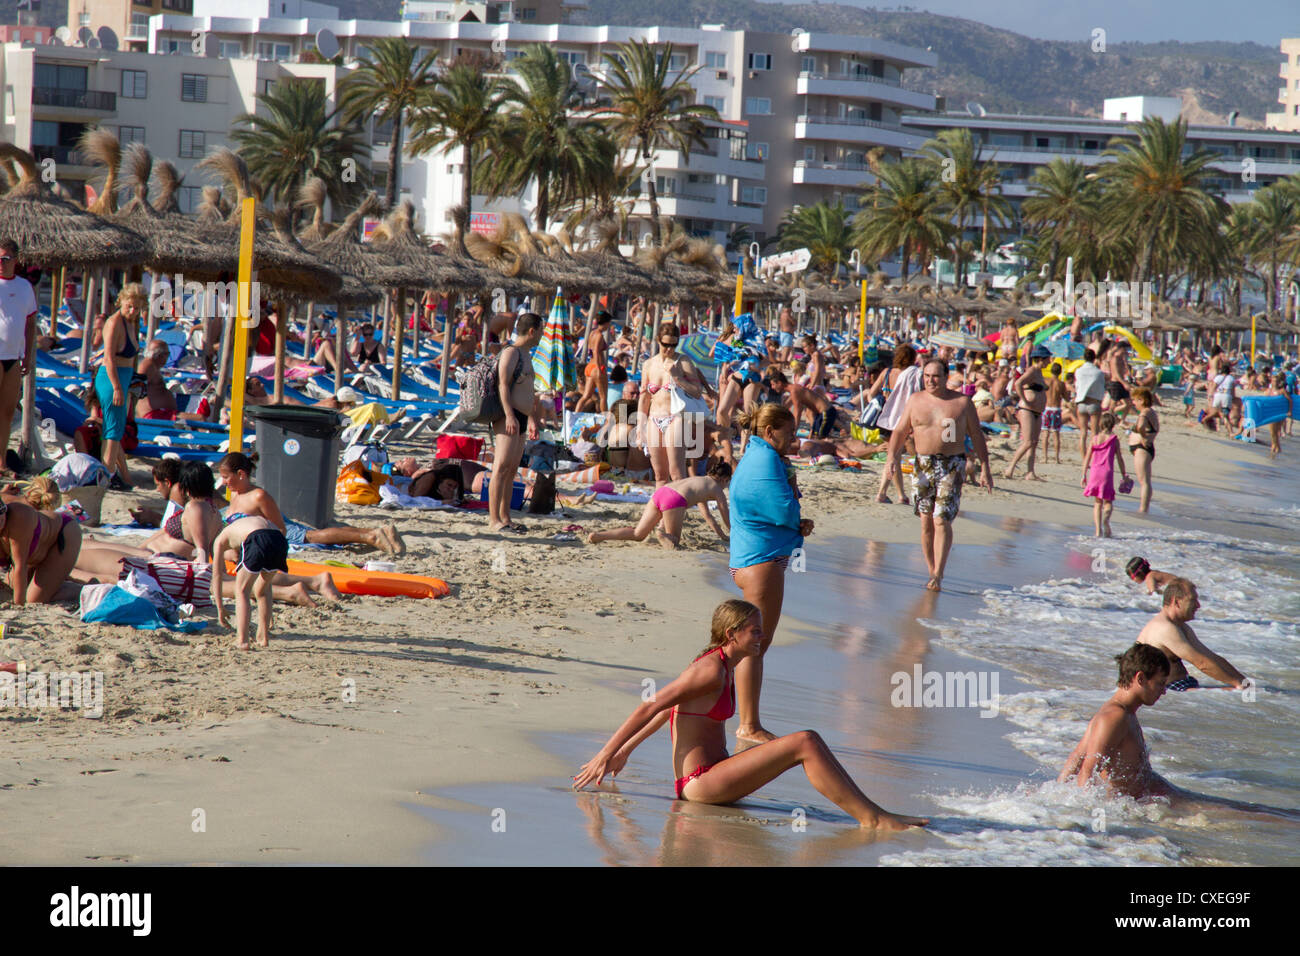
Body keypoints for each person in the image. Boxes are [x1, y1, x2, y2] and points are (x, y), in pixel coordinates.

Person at [573, 599, 926, 831]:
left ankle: (873, 814)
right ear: (732, 634)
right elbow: (652, 704)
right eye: (755, 631)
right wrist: (606, 752)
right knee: (806, 741)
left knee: (807, 743)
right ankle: (873, 818)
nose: (762, 636)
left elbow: (670, 710)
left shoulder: (724, 667)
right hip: (701, 782)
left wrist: (626, 752)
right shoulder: (709, 671)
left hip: (712, 776)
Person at [727, 403, 813, 745]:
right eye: (789, 433)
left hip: (752, 558)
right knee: (754, 646)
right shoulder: (765, 461)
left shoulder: (756, 456)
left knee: (751, 644)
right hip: (759, 562)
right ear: (769, 432)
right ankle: (748, 725)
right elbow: (783, 508)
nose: (794, 439)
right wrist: (799, 521)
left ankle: (741, 717)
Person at [887, 358, 994, 592]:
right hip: (922, 464)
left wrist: (985, 467)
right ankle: (931, 569)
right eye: (926, 376)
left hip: (952, 465)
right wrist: (889, 460)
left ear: (946, 377)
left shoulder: (962, 403)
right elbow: (900, 431)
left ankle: (939, 573)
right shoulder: (915, 400)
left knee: (941, 519)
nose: (930, 380)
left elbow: (976, 436)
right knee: (926, 521)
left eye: (935, 376)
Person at [219, 452, 402, 555]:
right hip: (263, 530)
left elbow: (281, 527)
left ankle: (370, 537)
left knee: (313, 536)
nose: (223, 482)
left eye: (226, 477)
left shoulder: (257, 495)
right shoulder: (237, 494)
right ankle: (376, 533)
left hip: (272, 531)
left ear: (241, 474)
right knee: (315, 534)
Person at [1058, 643, 1173, 799]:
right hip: (1134, 809)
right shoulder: (1115, 717)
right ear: (1140, 678)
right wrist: (1089, 817)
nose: (1164, 691)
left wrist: (1056, 795)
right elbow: (1087, 771)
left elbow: (1076, 758)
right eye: (1160, 683)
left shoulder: (1124, 714)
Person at [588, 460, 731, 550]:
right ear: (725, 479)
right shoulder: (717, 489)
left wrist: (723, 536)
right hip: (675, 500)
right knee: (674, 541)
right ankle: (662, 535)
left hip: (662, 492)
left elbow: (708, 516)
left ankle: (599, 536)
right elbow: (726, 516)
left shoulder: (699, 481)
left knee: (638, 534)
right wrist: (734, 533)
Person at [1136, 577, 1248, 691]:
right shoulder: (1165, 628)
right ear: (1176, 602)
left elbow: (1211, 657)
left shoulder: (1181, 626)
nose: (1198, 605)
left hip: (1181, 686)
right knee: (1235, 692)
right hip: (1163, 690)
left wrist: (1243, 681)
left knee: (1242, 692)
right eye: (1193, 600)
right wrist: (1236, 684)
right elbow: (1201, 663)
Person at [637, 321, 712, 489]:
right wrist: (639, 428)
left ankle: (678, 513)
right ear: (658, 341)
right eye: (665, 345)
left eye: (673, 345)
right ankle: (662, 513)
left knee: (677, 473)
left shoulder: (683, 361)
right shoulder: (648, 365)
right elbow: (644, 398)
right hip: (654, 418)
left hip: (675, 418)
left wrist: (677, 378)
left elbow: (697, 391)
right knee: (660, 476)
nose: (669, 349)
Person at [489, 312, 543, 535]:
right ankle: (494, 519)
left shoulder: (526, 354)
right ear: (532, 331)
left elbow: (526, 390)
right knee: (500, 467)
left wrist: (530, 419)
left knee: (511, 470)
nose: (541, 335)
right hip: (506, 416)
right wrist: (510, 415)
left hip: (521, 417)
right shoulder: (511, 352)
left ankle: (506, 517)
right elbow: (503, 385)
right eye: (541, 331)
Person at [93, 283, 147, 489]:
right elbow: (108, 358)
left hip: (122, 378)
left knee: (114, 430)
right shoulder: (115, 322)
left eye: (137, 307)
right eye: (129, 306)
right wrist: (117, 387)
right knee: (114, 431)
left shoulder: (131, 322)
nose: (132, 311)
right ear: (121, 302)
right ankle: (106, 476)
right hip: (111, 378)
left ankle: (114, 475)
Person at [210, 515, 289, 650]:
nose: (233, 559)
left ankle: (242, 640)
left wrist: (220, 608)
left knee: (241, 590)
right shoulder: (241, 525)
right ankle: (263, 637)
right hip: (279, 540)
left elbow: (217, 576)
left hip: (258, 537)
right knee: (262, 590)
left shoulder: (220, 539)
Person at [0, 480, 81, 605]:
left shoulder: (18, 518)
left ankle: (93, 589)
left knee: (34, 599)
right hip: (36, 550)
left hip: (62, 535)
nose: (1, 517)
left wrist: (18, 609)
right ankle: (57, 579)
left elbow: (20, 566)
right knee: (11, 584)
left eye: (1, 511)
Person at [0, 239, 37, 473]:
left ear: (16, 260)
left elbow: (30, 322)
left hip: (14, 355)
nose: (1, 263)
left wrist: (28, 354)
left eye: (5, 258)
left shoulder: (24, 287)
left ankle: (1, 460)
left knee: (7, 411)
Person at [867, 343, 920, 505]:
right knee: (893, 457)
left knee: (894, 457)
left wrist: (881, 405)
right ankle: (883, 493)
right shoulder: (912, 375)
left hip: (885, 420)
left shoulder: (887, 372)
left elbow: (870, 394)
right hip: (901, 420)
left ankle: (900, 495)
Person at [1003, 346, 1050, 481]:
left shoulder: (1039, 372)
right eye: (1048, 359)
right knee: (1028, 441)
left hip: (1036, 411)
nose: (1049, 361)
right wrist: (1024, 399)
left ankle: (1030, 472)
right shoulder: (1033, 371)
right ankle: (1010, 468)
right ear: (1041, 358)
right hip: (1027, 409)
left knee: (1033, 443)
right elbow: (1018, 383)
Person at [1081, 411, 1127, 537]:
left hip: (1095, 472)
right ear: (1112, 425)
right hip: (1107, 473)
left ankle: (1097, 530)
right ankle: (1106, 520)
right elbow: (1120, 459)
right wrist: (1124, 474)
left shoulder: (1094, 439)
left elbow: (1087, 458)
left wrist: (1084, 474)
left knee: (1097, 502)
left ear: (1101, 424)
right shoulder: (1114, 440)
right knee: (1108, 501)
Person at [1073, 347, 1106, 470]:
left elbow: (1077, 386)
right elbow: (1102, 388)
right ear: (1094, 358)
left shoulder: (1079, 371)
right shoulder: (1098, 372)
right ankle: (1093, 458)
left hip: (1081, 402)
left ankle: (1083, 460)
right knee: (1094, 433)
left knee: (1082, 433)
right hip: (1094, 402)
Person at [1126, 386, 1158, 513]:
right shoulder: (1151, 412)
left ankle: (1143, 509)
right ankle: (1145, 507)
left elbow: (1140, 427)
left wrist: (1143, 436)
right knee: (1146, 480)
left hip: (1142, 448)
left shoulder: (1145, 413)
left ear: (1142, 400)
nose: (1133, 403)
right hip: (1144, 449)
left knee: (1143, 481)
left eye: (1135, 400)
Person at [575, 311, 612, 413]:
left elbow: (590, 349)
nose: (609, 326)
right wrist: (599, 369)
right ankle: (606, 419)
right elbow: (595, 351)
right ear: (606, 323)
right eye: (609, 323)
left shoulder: (592, 333)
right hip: (597, 367)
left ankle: (575, 415)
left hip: (589, 367)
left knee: (586, 396)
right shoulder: (599, 335)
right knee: (603, 397)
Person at [134, 339, 179, 420]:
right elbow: (136, 388)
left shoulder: (152, 366)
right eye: (167, 354)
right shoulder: (147, 366)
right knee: (199, 418)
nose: (168, 357)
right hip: (155, 414)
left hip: (162, 412)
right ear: (159, 355)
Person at [1040, 362, 1066, 464]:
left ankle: (1045, 457)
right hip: (1056, 409)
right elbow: (1066, 398)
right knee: (1056, 434)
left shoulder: (1046, 381)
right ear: (1060, 372)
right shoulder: (1061, 384)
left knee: (1045, 434)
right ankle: (1056, 458)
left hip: (1047, 409)